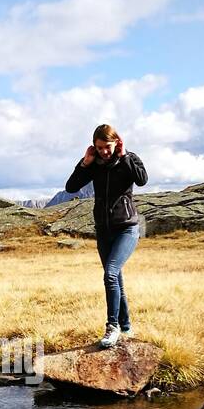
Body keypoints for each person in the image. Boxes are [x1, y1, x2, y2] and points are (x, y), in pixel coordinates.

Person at [65, 124, 148, 347]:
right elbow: (71, 187)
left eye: (107, 147)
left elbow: (142, 179)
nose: (104, 152)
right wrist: (85, 163)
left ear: (116, 142)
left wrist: (125, 155)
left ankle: (112, 327)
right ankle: (127, 327)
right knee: (116, 278)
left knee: (110, 274)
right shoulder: (94, 164)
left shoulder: (128, 158)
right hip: (104, 230)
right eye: (100, 147)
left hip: (127, 228)